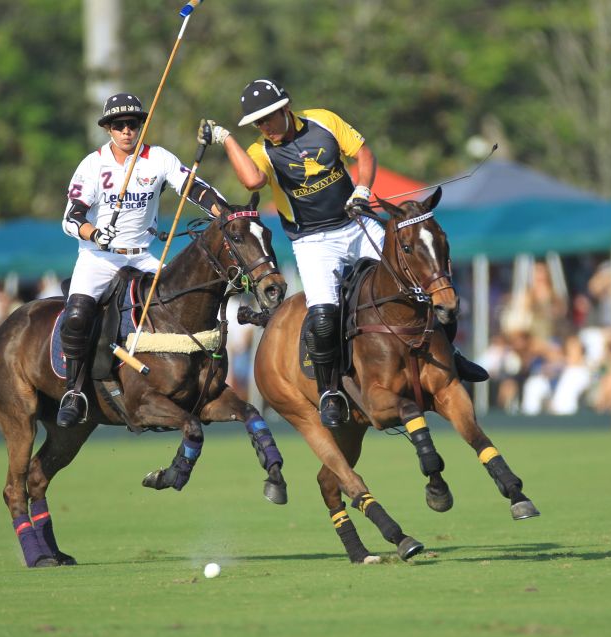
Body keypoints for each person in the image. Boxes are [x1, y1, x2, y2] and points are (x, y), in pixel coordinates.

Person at [198, 78, 487, 427]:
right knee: (323, 318)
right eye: (257, 123)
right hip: (312, 242)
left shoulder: (323, 121)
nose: (264, 127)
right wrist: (227, 139)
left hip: (355, 224)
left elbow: (364, 154)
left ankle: (451, 355)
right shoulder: (263, 151)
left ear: (284, 109)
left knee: (425, 280)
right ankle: (329, 391)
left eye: (267, 118)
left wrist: (362, 189)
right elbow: (253, 182)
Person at [57, 92, 226, 428]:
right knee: (77, 316)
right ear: (108, 129)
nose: (126, 131)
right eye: (118, 125)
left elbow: (193, 187)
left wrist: (224, 213)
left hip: (143, 257)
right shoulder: (93, 165)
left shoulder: (158, 159)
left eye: (132, 124)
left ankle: (194, 382)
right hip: (99, 258)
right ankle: (74, 391)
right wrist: (94, 234)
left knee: (186, 304)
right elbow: (71, 218)